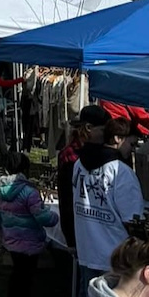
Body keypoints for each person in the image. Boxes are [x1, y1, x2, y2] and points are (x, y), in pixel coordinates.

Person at [0, 152, 59, 297]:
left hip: (11, 240)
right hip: (29, 241)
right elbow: (42, 217)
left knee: (16, 274)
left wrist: (1, 236)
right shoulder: (29, 192)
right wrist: (55, 218)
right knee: (27, 278)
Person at [74, 119, 144, 290]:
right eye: (132, 143)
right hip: (114, 255)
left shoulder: (78, 164)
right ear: (118, 139)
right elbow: (133, 219)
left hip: (86, 248)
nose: (132, 150)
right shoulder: (121, 172)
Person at [58, 106, 110, 249]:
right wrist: (70, 233)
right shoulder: (71, 156)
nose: (106, 135)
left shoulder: (96, 152)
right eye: (103, 130)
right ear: (88, 128)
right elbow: (67, 197)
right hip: (79, 224)